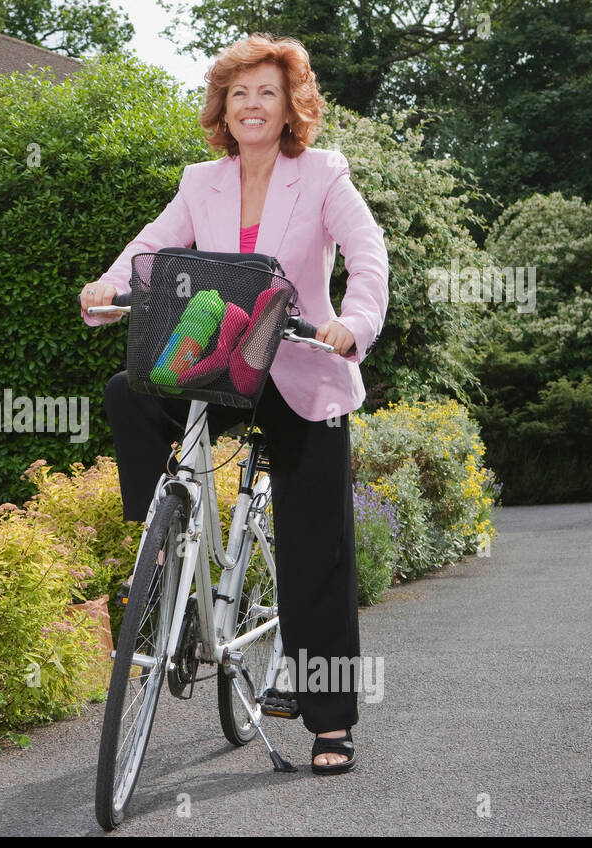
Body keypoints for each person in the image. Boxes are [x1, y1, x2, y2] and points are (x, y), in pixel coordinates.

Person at [78, 34, 389, 774]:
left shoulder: (321, 175)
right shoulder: (200, 182)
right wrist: (106, 288)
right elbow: (152, 249)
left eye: (267, 94)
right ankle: (163, 544)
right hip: (223, 370)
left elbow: (367, 253)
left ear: (290, 109)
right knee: (129, 391)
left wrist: (354, 323)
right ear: (224, 106)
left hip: (302, 373)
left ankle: (330, 722)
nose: (252, 105)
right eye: (240, 93)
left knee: (318, 553)